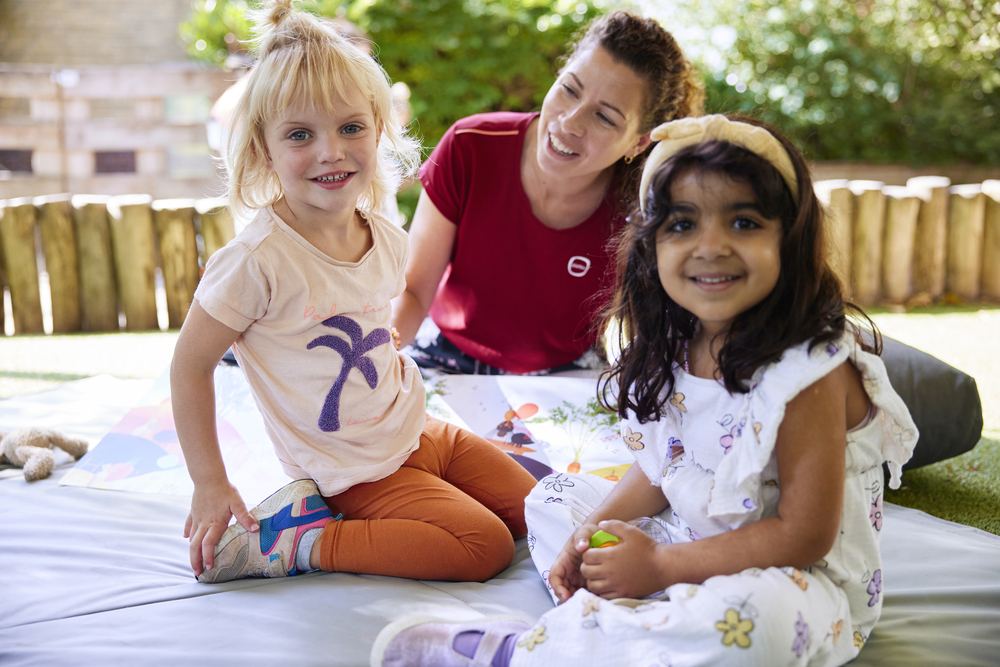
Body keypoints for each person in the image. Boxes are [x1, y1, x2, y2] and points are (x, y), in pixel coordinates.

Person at [370, 115, 919, 666]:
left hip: (791, 580)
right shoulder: (678, 340)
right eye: (682, 224)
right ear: (650, 246)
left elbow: (804, 536)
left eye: (744, 222)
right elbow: (664, 465)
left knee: (757, 624)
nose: (711, 246)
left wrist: (659, 566)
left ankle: (535, 652)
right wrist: (588, 536)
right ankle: (631, 626)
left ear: (791, 239)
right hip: (684, 540)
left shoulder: (808, 370)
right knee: (554, 497)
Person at [171, 0, 536, 586]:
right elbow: (190, 365)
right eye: (300, 134)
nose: (331, 151)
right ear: (263, 149)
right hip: (350, 470)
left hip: (419, 430)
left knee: (537, 510)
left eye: (350, 127)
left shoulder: (385, 237)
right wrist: (209, 481)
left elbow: (375, 328)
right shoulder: (256, 261)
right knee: (483, 545)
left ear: (378, 129)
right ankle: (303, 541)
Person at [390, 11, 704, 376]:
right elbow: (413, 292)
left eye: (604, 117)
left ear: (638, 142)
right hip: (444, 352)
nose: (570, 121)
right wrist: (372, 353)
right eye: (569, 89)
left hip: (570, 373)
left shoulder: (643, 202)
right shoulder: (470, 145)